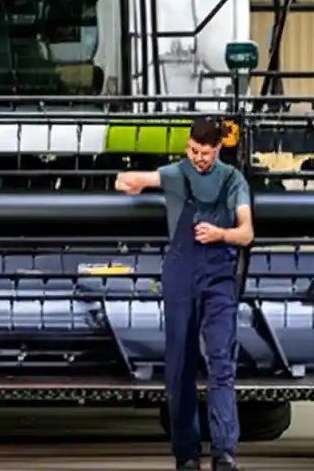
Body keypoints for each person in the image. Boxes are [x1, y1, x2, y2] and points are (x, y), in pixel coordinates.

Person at [114, 118, 253, 471]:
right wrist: (126, 181)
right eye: (194, 151)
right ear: (187, 146)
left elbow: (247, 233)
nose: (199, 159)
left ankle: (224, 452)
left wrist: (220, 234)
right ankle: (186, 454)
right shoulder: (177, 173)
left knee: (221, 362)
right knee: (179, 367)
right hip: (179, 278)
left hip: (218, 278)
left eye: (206, 153)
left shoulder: (233, 180)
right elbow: (137, 180)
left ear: (218, 149)